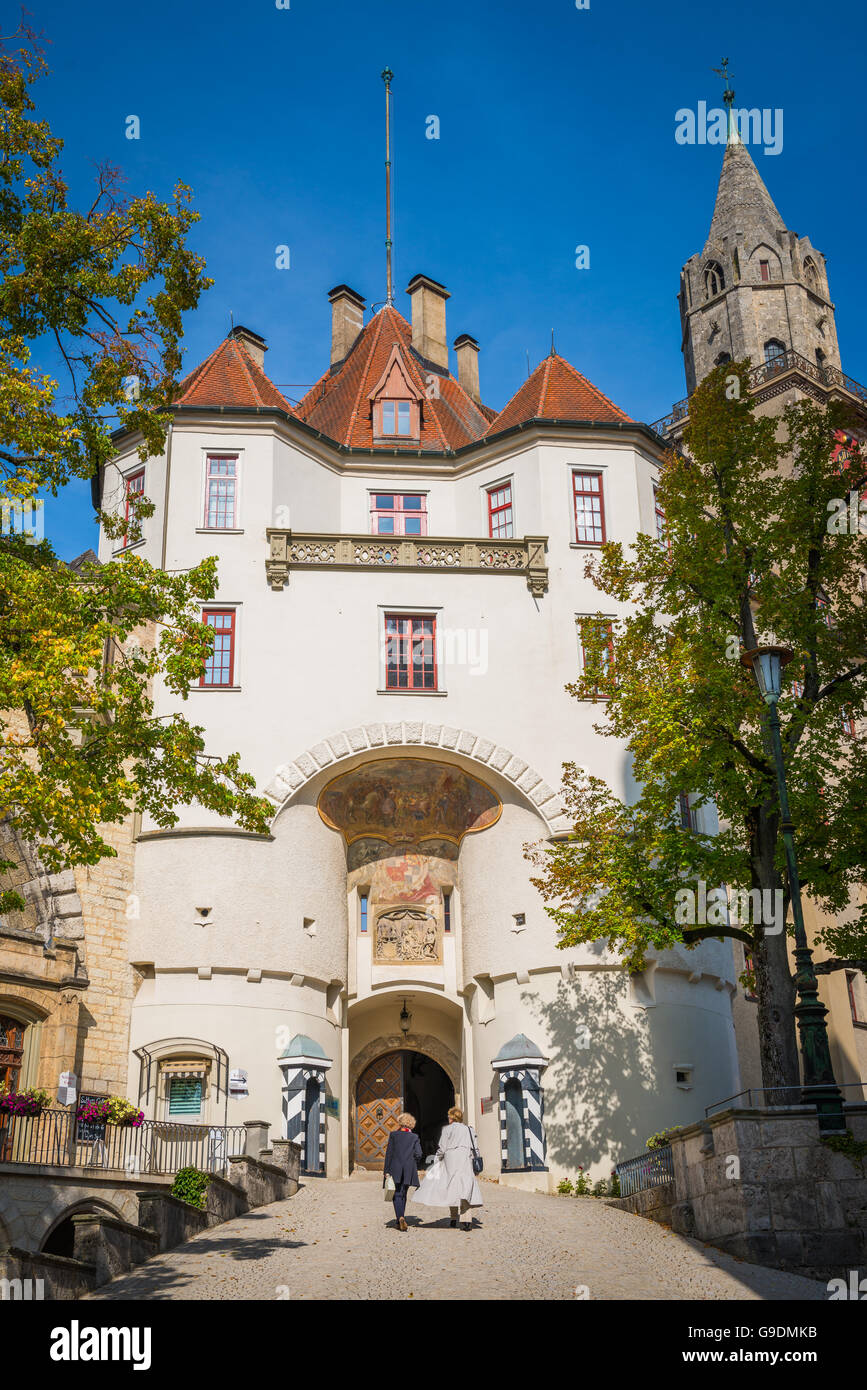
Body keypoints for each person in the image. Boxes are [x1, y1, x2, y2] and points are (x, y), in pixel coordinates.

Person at [411, 1105, 483, 1230]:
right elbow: (475, 1147)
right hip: (465, 1158)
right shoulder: (469, 1130)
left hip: (450, 1159)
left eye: (449, 1116)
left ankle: (454, 1218)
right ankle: (466, 1220)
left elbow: (442, 1147)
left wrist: (436, 1160)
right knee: (465, 1188)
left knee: (452, 1187)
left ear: (452, 1117)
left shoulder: (447, 1129)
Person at [382, 1113, 422, 1232]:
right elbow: (419, 1154)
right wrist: (413, 1162)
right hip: (409, 1169)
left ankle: (400, 1217)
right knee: (403, 1193)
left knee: (396, 1194)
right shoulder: (414, 1137)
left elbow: (389, 1153)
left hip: (395, 1168)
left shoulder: (394, 1135)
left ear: (400, 1123)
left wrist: (386, 1170)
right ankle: (400, 1218)